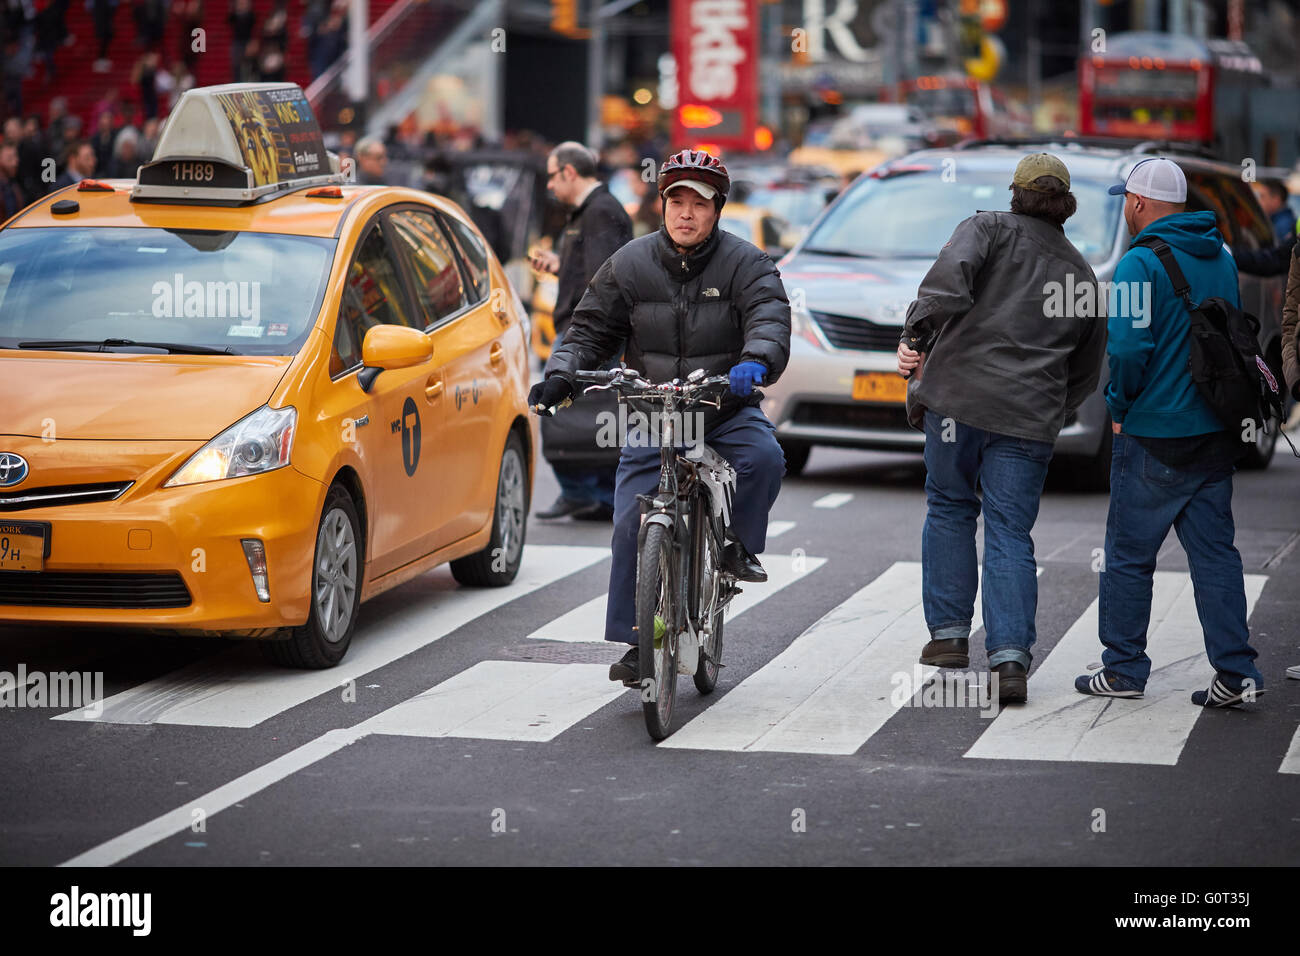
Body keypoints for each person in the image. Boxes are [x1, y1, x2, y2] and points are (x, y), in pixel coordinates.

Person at [531, 148, 790, 684]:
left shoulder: (747, 262)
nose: (686, 213)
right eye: (676, 201)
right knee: (630, 520)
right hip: (656, 412)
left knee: (764, 459)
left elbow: (769, 317)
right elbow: (587, 330)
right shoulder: (629, 262)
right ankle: (637, 642)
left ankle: (736, 549)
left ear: (718, 209)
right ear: (662, 205)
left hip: (722, 407)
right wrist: (562, 373)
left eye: (699, 202)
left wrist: (755, 361)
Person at [897, 153, 1105, 704]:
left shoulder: (985, 227)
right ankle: (1010, 657)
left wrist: (914, 341)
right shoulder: (1082, 273)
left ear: (1016, 194)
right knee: (1011, 531)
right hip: (1027, 419)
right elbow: (1086, 369)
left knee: (950, 507)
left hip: (956, 404)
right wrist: (1051, 413)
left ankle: (947, 637)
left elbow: (944, 290)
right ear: (1065, 204)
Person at [1075, 157, 1265, 707]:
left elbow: (1129, 349)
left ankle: (1124, 670)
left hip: (1155, 431)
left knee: (1130, 555)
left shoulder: (1138, 263)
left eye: (1126, 201)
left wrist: (1118, 404)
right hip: (1215, 428)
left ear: (1138, 203)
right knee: (1215, 554)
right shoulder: (1222, 255)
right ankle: (1236, 673)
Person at [529, 141, 633, 522]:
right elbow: (597, 272)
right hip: (584, 331)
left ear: (570, 173)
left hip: (585, 333)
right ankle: (598, 495)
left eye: (553, 176)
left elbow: (606, 282)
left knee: (555, 405)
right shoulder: (590, 212)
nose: (550, 186)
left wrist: (589, 340)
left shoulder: (600, 212)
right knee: (590, 413)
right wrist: (561, 264)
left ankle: (581, 491)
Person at [1254, 178, 1296, 246]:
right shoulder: (1278, 221)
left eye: (1262, 197)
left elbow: (1278, 255)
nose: (1259, 201)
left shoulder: (1283, 226)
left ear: (1276, 200)